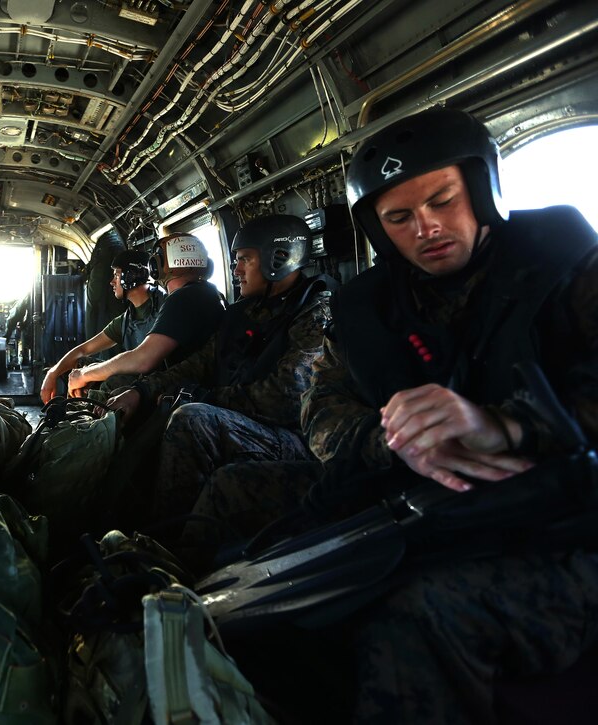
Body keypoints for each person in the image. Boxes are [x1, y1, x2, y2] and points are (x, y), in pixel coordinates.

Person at [301, 107, 598, 722]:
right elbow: (322, 411)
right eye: (400, 218)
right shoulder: (365, 309)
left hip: (569, 522)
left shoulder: (569, 265)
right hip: (424, 507)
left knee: (415, 613)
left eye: (443, 200)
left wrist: (509, 425)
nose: (427, 228)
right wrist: (396, 441)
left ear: (483, 191)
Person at [106, 215, 334, 536]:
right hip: (248, 426)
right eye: (234, 260)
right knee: (157, 405)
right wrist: (140, 392)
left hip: (295, 438)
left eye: (244, 260)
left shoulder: (316, 311)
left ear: (277, 258)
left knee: (193, 418)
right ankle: (130, 522)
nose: (236, 269)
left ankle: (170, 545)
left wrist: (207, 397)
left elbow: (287, 396)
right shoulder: (245, 311)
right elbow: (200, 364)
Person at [66, 233, 224, 398]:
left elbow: (143, 359)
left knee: (113, 385)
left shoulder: (182, 298)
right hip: (187, 383)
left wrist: (85, 375)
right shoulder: (206, 292)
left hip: (183, 388)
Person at [40, 248, 165, 403]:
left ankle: (93, 418)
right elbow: (83, 350)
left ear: (131, 276)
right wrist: (53, 373)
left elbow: (143, 361)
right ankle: (81, 414)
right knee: (80, 364)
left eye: (117, 275)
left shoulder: (163, 308)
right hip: (141, 376)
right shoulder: (128, 318)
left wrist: (86, 375)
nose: (112, 281)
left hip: (158, 383)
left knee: (112, 382)